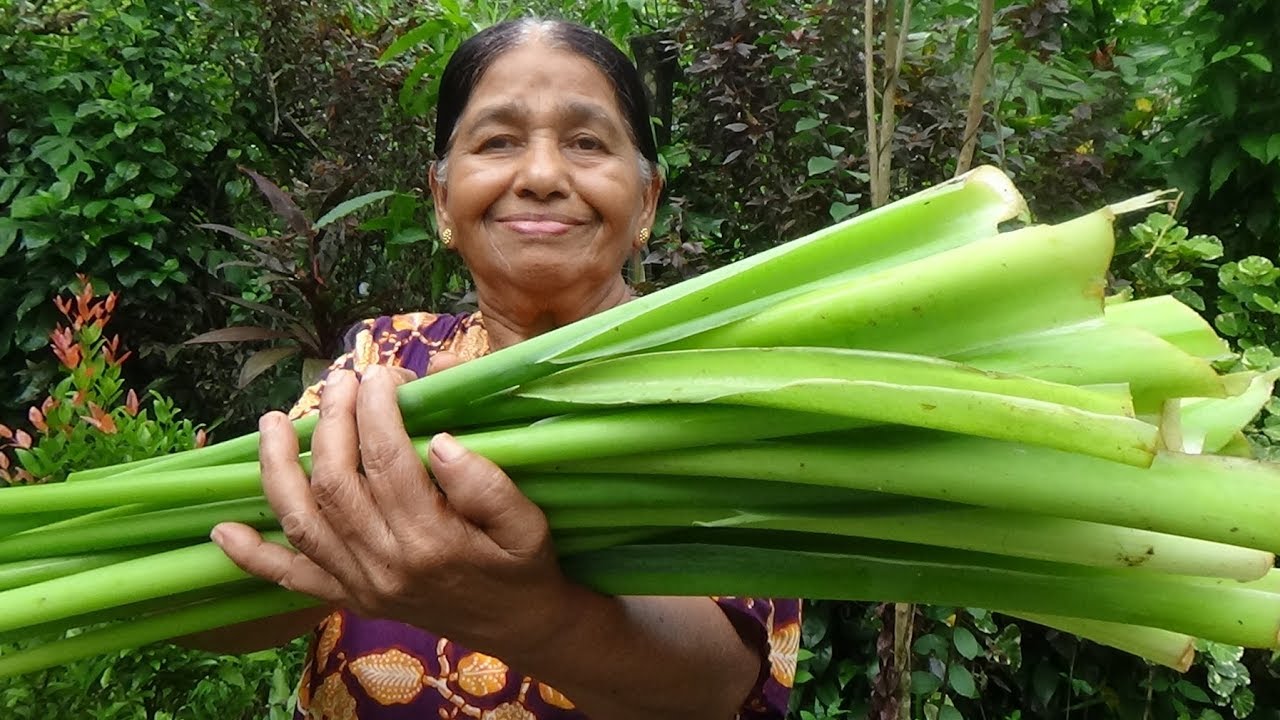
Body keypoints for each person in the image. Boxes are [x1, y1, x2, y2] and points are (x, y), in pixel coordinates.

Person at [202, 18, 800, 720]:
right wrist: (347, 541)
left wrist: (532, 614)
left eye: (586, 142)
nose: (543, 176)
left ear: (647, 202)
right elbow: (213, 615)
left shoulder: (721, 388)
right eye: (497, 142)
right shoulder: (379, 363)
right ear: (441, 201)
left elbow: (720, 690)